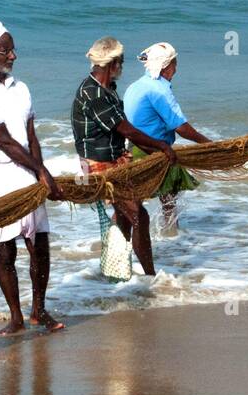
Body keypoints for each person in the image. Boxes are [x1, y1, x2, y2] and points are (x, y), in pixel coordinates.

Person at [0, 20, 65, 335]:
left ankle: (39, 310)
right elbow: (4, 141)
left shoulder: (21, 89)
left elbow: (31, 136)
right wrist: (42, 171)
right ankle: (15, 316)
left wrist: (39, 170)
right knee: (5, 250)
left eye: (12, 49)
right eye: (4, 50)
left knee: (40, 245)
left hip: (28, 173)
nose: (12, 56)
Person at [71, 37, 177, 273]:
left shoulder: (108, 89)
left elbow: (124, 127)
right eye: (120, 61)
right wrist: (161, 146)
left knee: (126, 215)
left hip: (117, 159)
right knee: (139, 215)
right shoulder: (94, 93)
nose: (122, 66)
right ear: (112, 64)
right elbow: (126, 129)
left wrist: (155, 151)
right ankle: (150, 276)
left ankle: (117, 268)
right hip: (98, 164)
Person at [123, 42, 211, 235]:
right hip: (153, 151)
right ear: (167, 66)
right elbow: (182, 128)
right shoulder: (159, 90)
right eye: (174, 62)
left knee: (134, 202)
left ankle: (163, 237)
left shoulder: (136, 86)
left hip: (133, 147)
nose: (176, 67)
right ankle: (171, 238)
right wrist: (208, 145)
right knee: (165, 203)